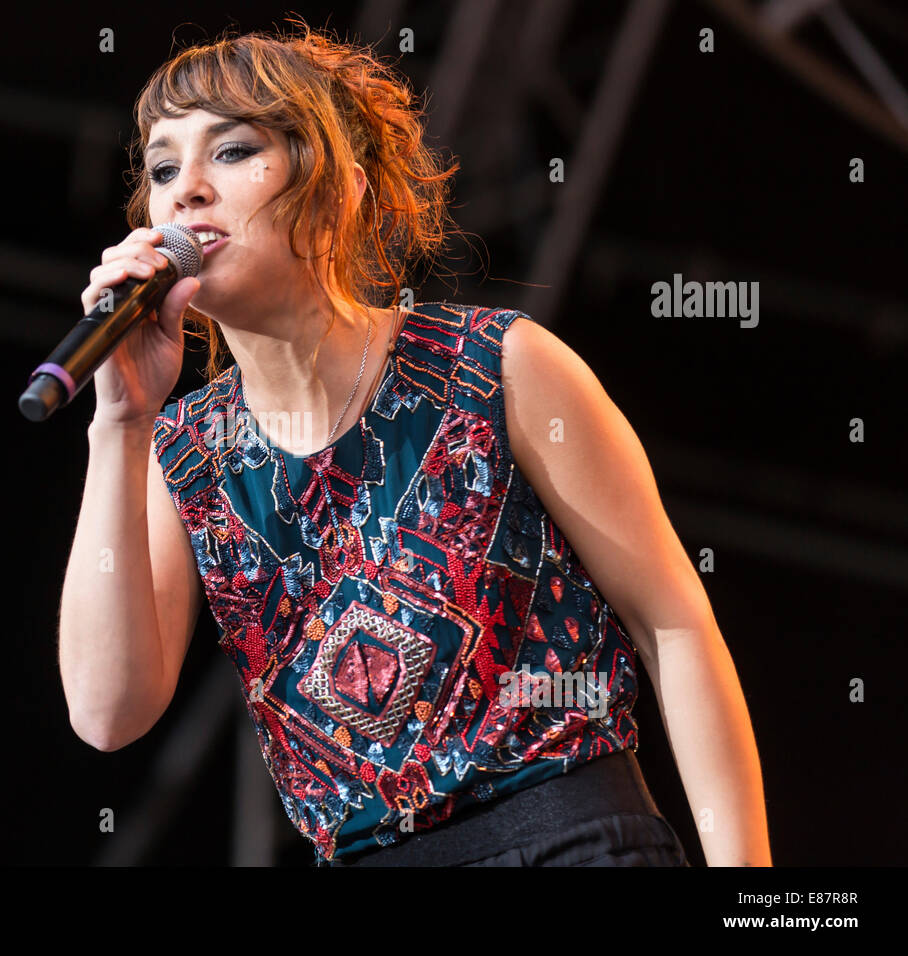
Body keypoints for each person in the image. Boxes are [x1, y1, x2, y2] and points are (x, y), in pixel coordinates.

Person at [57, 19, 772, 867]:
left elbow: (675, 626)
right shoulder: (183, 455)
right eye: (166, 167)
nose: (187, 191)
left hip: (567, 842)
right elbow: (108, 714)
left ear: (339, 191)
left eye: (235, 151)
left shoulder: (497, 365)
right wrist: (121, 424)